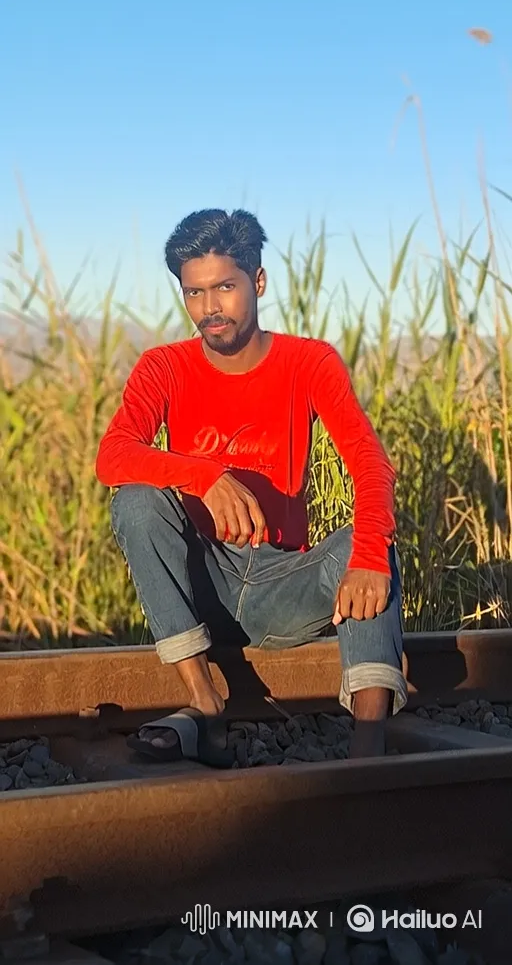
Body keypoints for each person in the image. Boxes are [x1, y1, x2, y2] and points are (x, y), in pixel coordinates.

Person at [95, 209, 407, 765]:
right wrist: (205, 475)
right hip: (204, 581)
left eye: (225, 287)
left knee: (369, 545)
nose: (209, 308)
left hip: (280, 582)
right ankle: (203, 699)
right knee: (137, 500)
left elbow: (371, 463)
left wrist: (365, 557)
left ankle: (367, 753)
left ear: (257, 282)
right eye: (194, 292)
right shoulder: (162, 367)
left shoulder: (309, 362)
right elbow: (112, 455)